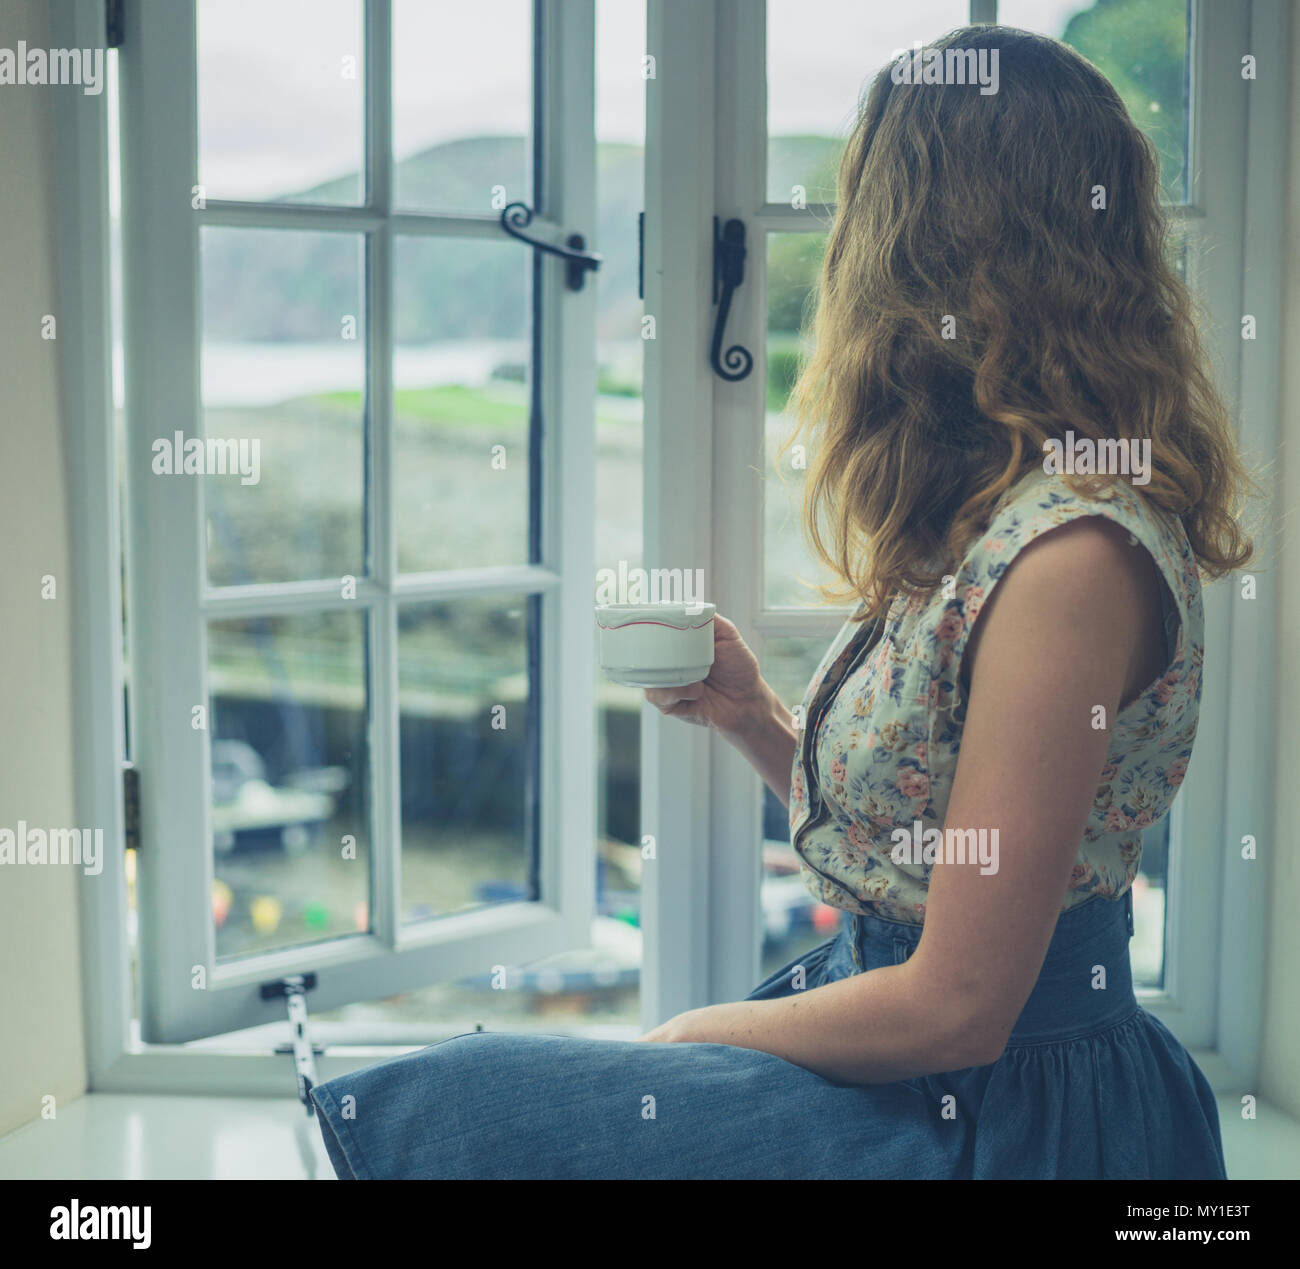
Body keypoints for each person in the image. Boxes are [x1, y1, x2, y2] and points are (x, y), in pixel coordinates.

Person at [309, 26, 1251, 1179]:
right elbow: (926, 853)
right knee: (458, 1105)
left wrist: (691, 1037)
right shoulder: (1000, 513)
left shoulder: (1070, 562)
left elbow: (958, 1005)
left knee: (463, 1104)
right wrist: (754, 720)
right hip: (923, 1066)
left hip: (1005, 1112)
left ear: (927, 244)